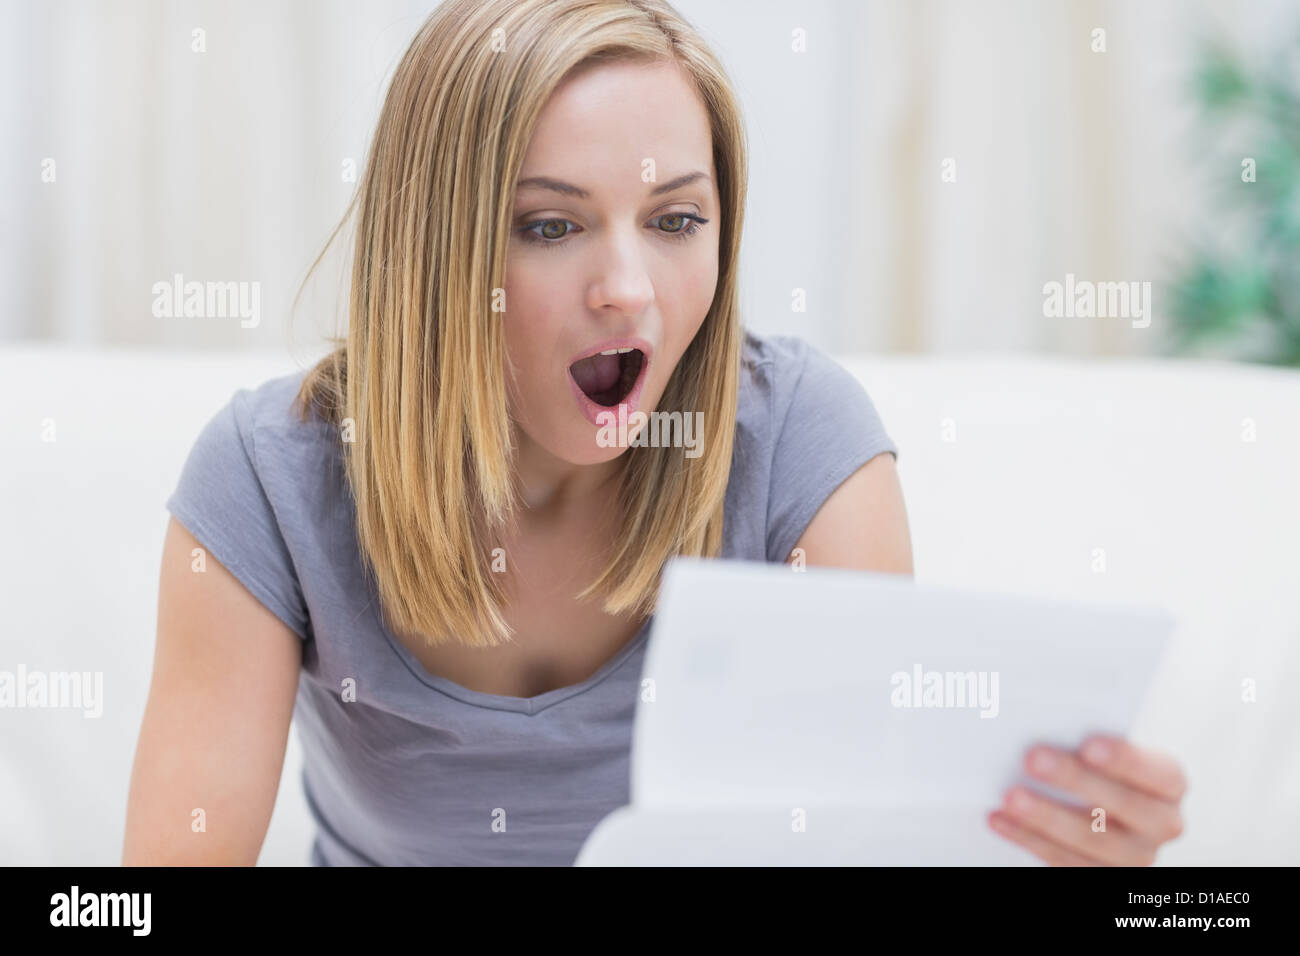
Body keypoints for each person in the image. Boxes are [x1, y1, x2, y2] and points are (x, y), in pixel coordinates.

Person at [122, 0, 1184, 866]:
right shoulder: (271, 478)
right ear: (435, 249)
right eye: (549, 224)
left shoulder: (799, 449)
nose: (627, 291)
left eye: (676, 220)